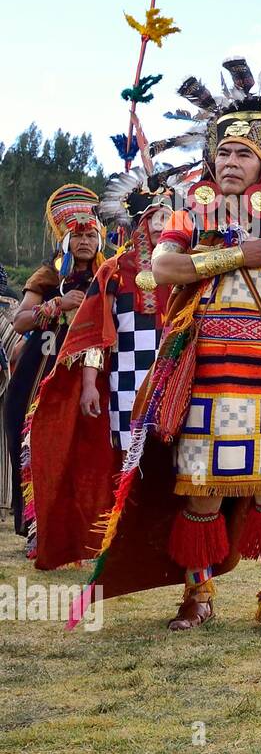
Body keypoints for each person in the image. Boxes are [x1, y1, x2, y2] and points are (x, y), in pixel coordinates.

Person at [67, 54, 261, 638]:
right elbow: (161, 268)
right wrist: (229, 257)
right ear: (209, 159)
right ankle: (199, 593)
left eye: (244, 153)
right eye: (223, 151)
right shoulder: (189, 214)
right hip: (206, 372)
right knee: (201, 490)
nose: (231, 161)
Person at [27, 170, 174, 570]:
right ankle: (122, 539)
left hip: (171, 379)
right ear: (138, 224)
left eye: (167, 218)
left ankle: (164, 538)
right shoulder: (114, 271)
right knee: (125, 460)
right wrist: (90, 384)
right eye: (153, 219)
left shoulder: (183, 269)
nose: (160, 227)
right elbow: (96, 334)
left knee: (169, 457)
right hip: (124, 379)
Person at [5, 184, 105, 538]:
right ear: (64, 238)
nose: (84, 242)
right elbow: (19, 320)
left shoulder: (106, 276)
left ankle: (77, 528)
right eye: (76, 235)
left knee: (82, 447)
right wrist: (57, 305)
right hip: (40, 368)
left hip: (89, 371)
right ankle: (33, 523)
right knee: (33, 443)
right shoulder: (49, 274)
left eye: (90, 235)